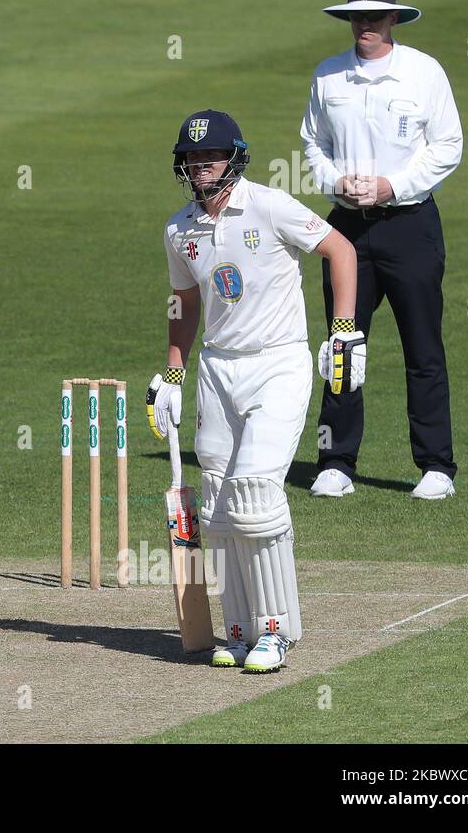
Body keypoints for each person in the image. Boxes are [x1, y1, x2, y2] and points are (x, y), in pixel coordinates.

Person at [146, 110, 362, 672]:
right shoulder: (179, 229)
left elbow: (341, 250)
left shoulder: (268, 205)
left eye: (209, 158)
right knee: (218, 505)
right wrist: (172, 370)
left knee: (257, 497)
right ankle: (238, 630)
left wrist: (342, 331)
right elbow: (184, 303)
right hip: (218, 370)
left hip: (278, 364)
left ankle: (276, 631)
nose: (200, 167)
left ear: (233, 158)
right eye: (191, 159)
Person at [302, 0, 464, 500]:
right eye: (357, 15)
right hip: (346, 232)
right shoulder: (329, 77)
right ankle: (336, 461)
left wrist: (393, 185)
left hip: (410, 227)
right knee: (343, 344)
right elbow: (313, 145)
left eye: (374, 15)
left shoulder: (424, 73)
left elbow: (447, 146)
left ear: (394, 18)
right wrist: (335, 182)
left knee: (423, 346)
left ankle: (436, 466)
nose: (365, 24)